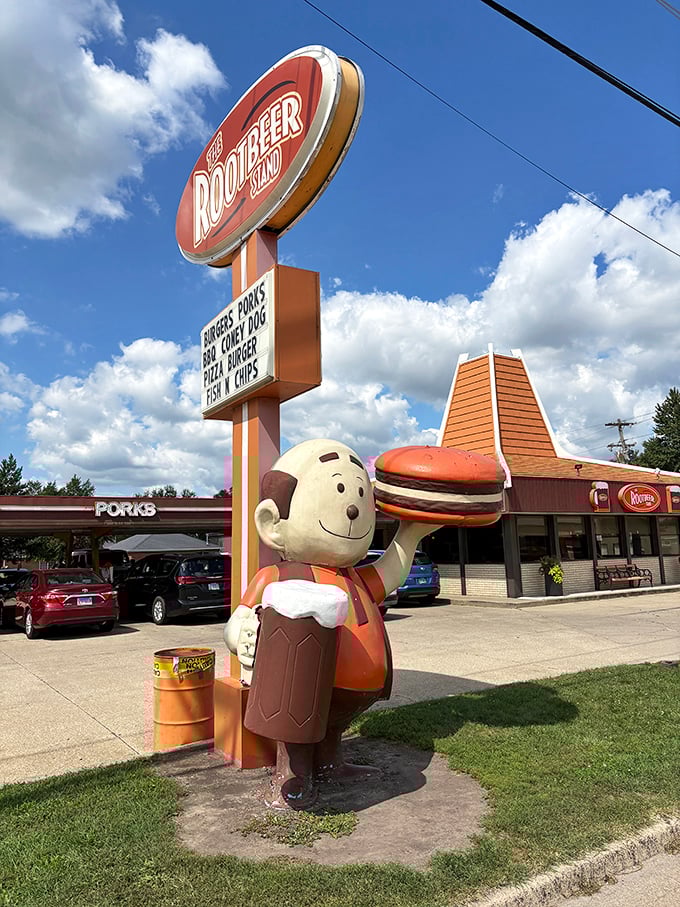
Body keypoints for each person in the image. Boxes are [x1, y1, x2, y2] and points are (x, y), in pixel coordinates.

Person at [224, 438, 439, 809]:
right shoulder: (277, 576)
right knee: (298, 729)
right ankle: (293, 775)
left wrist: (410, 533)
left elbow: (392, 571)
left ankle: (329, 763)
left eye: (358, 492)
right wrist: (242, 632)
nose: (353, 507)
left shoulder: (356, 577)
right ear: (273, 524)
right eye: (340, 491)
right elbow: (242, 616)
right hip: (303, 684)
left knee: (328, 730)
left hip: (354, 689)